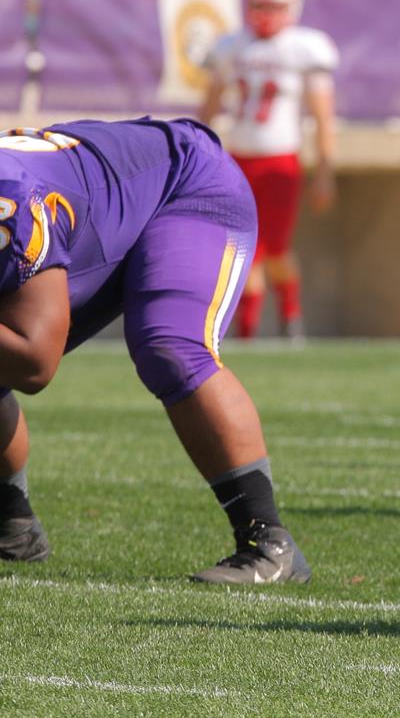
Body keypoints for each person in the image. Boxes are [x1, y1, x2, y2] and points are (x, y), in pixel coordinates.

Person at [0, 119, 311, 582]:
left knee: (169, 344)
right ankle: (13, 525)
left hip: (186, 187)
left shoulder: (9, 198)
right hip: (96, 217)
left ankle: (269, 541)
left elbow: (34, 359)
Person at [198, 0, 338, 341]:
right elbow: (208, 109)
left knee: (275, 249)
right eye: (260, 6)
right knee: (244, 250)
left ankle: (291, 318)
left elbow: (324, 115)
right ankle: (248, 329)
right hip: (239, 160)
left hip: (280, 160)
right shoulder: (232, 46)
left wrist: (325, 169)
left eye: (274, 7)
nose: (266, 14)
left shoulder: (303, 47)